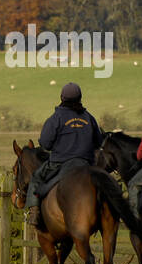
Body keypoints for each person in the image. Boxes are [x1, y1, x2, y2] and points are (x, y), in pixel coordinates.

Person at [25, 82, 103, 228]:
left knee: (36, 177)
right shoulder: (89, 117)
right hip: (86, 164)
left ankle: (34, 212)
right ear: (80, 98)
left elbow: (45, 144)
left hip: (60, 163)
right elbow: (98, 142)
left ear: (62, 98)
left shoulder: (56, 118)